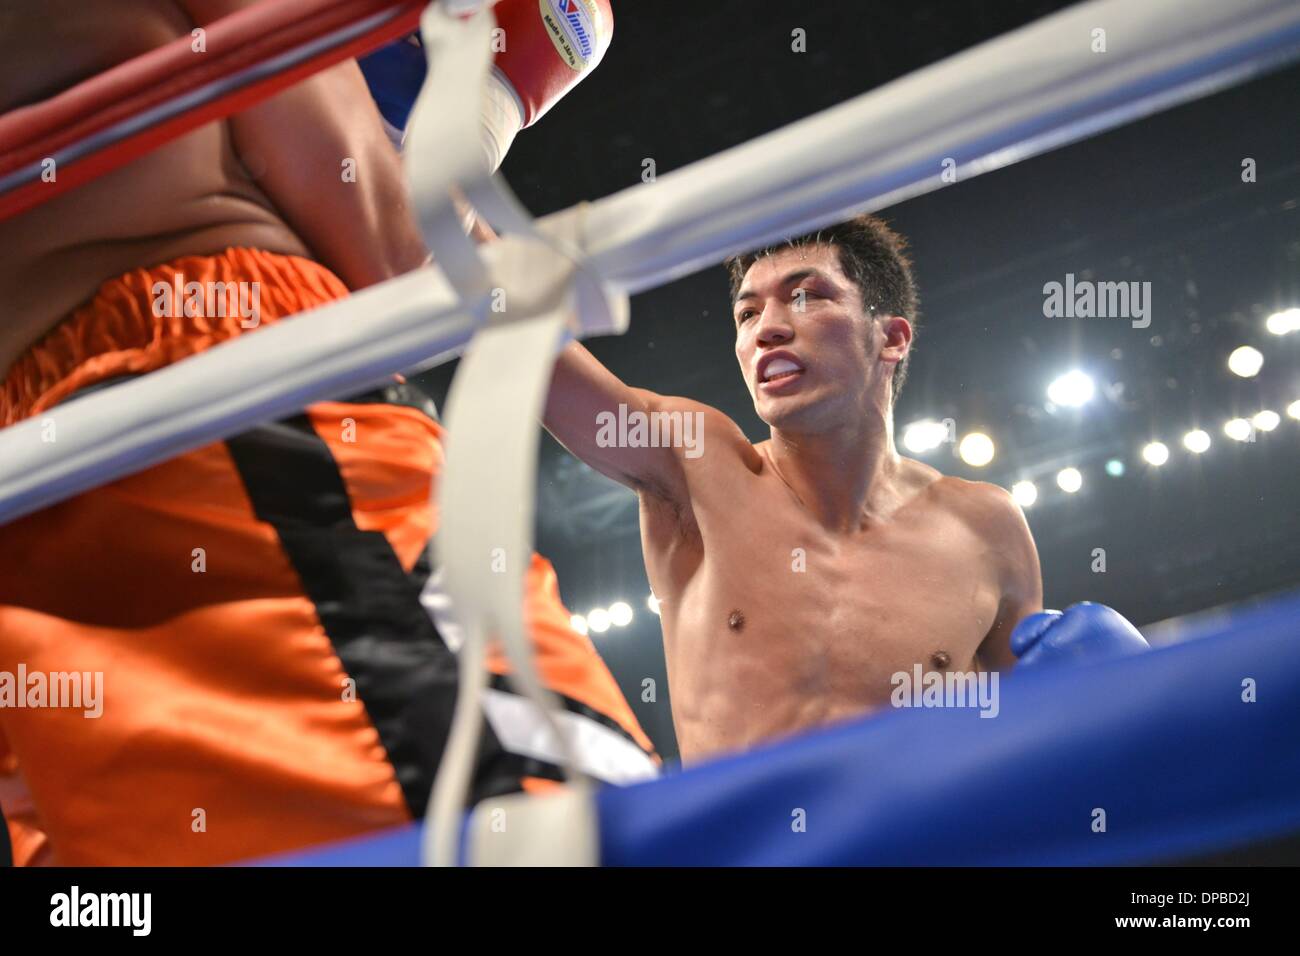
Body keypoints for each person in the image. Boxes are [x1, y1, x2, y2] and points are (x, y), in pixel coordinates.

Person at [0, 0, 653, 866]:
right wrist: (464, 141)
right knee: (540, 832)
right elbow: (391, 246)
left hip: (43, 478)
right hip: (216, 402)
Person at [544, 217, 1046, 762]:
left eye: (805, 297)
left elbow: (1029, 743)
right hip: (745, 844)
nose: (767, 329)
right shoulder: (696, 466)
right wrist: (464, 178)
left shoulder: (984, 524)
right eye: (747, 313)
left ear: (892, 337)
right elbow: (526, 352)